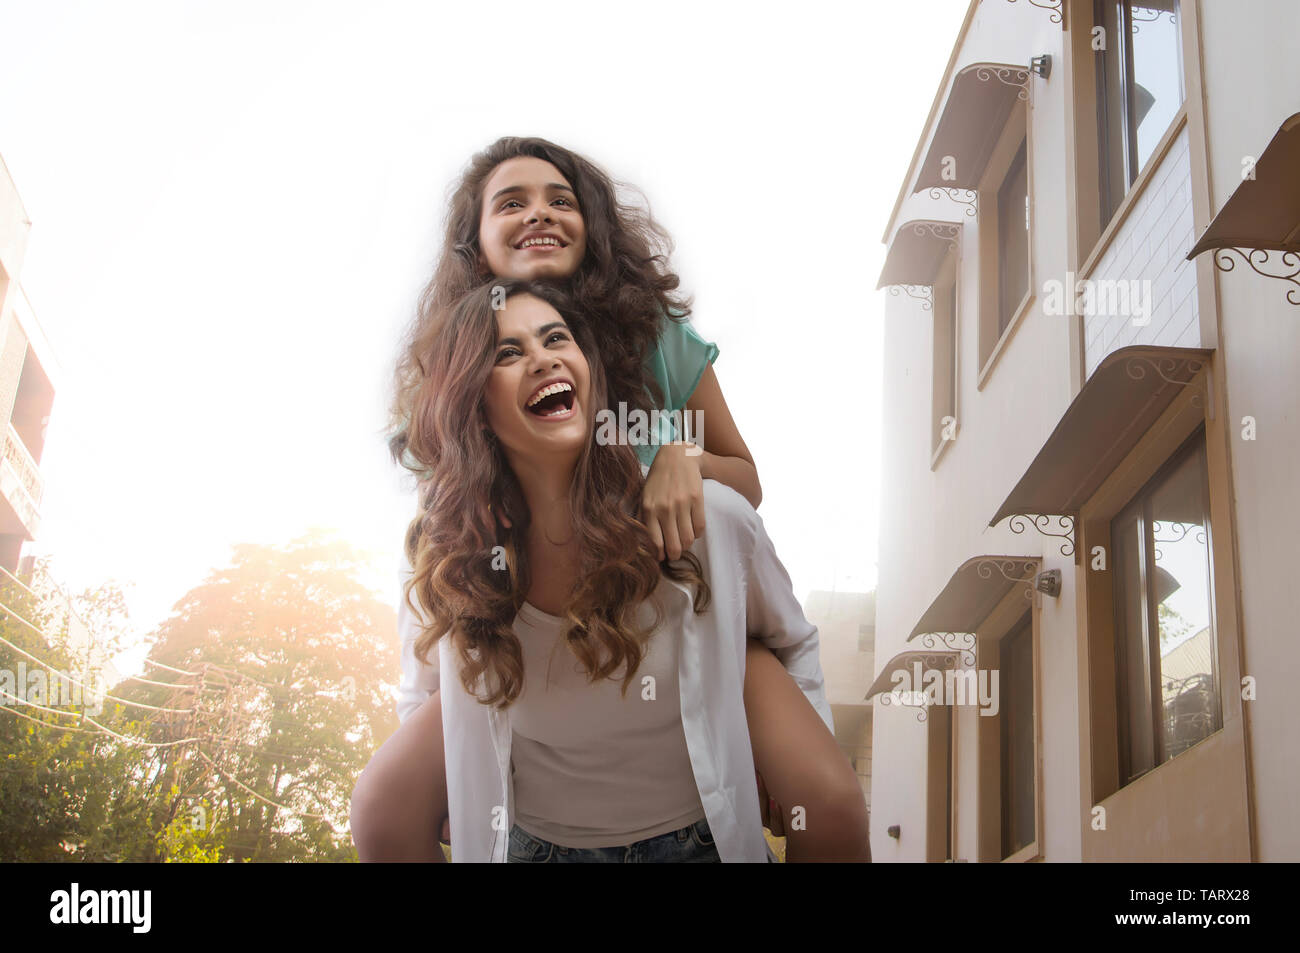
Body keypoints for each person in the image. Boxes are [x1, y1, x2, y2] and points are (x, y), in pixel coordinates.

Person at [350, 137, 871, 862]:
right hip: (527, 609)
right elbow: (439, 572)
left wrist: (683, 458)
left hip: (676, 581)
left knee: (729, 606)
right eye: (513, 202)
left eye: (561, 199)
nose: (541, 213)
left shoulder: (650, 333)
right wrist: (447, 780)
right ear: (474, 244)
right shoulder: (460, 370)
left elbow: (745, 478)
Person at [401, 278, 850, 862]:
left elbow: (791, 640)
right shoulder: (457, 557)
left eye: (556, 338)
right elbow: (424, 691)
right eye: (508, 353)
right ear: (471, 404)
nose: (542, 358)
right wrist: (447, 791)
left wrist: (788, 765)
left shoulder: (705, 517)